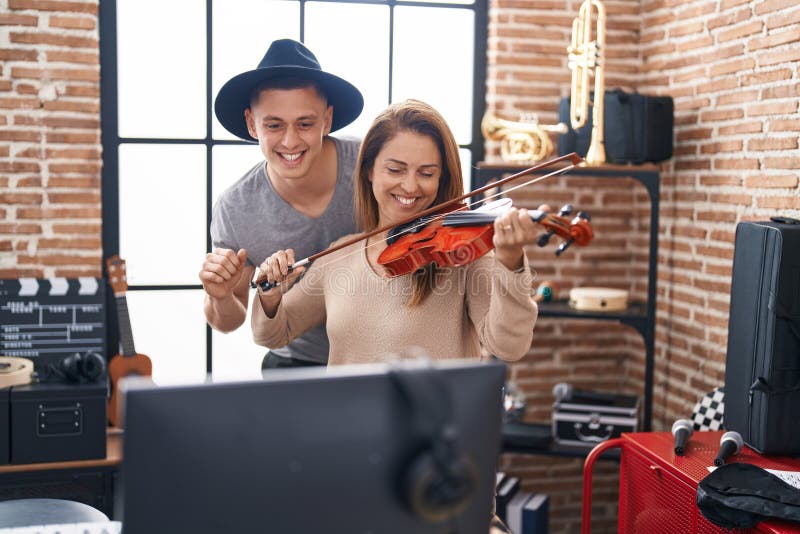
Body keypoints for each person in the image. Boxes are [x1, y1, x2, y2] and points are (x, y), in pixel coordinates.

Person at [251, 99, 541, 366]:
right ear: (369, 171)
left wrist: (511, 262)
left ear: (441, 178)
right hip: (352, 422)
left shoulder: (462, 253)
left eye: (426, 173)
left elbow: (508, 347)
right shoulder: (341, 254)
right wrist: (270, 294)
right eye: (396, 170)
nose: (411, 187)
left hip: (434, 423)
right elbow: (275, 334)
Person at [199, 39, 364, 369]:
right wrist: (218, 295)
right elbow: (230, 320)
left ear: (327, 119)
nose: (290, 141)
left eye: (305, 123)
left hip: (374, 354)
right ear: (251, 123)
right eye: (274, 125)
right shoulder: (235, 207)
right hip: (294, 362)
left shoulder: (370, 164)